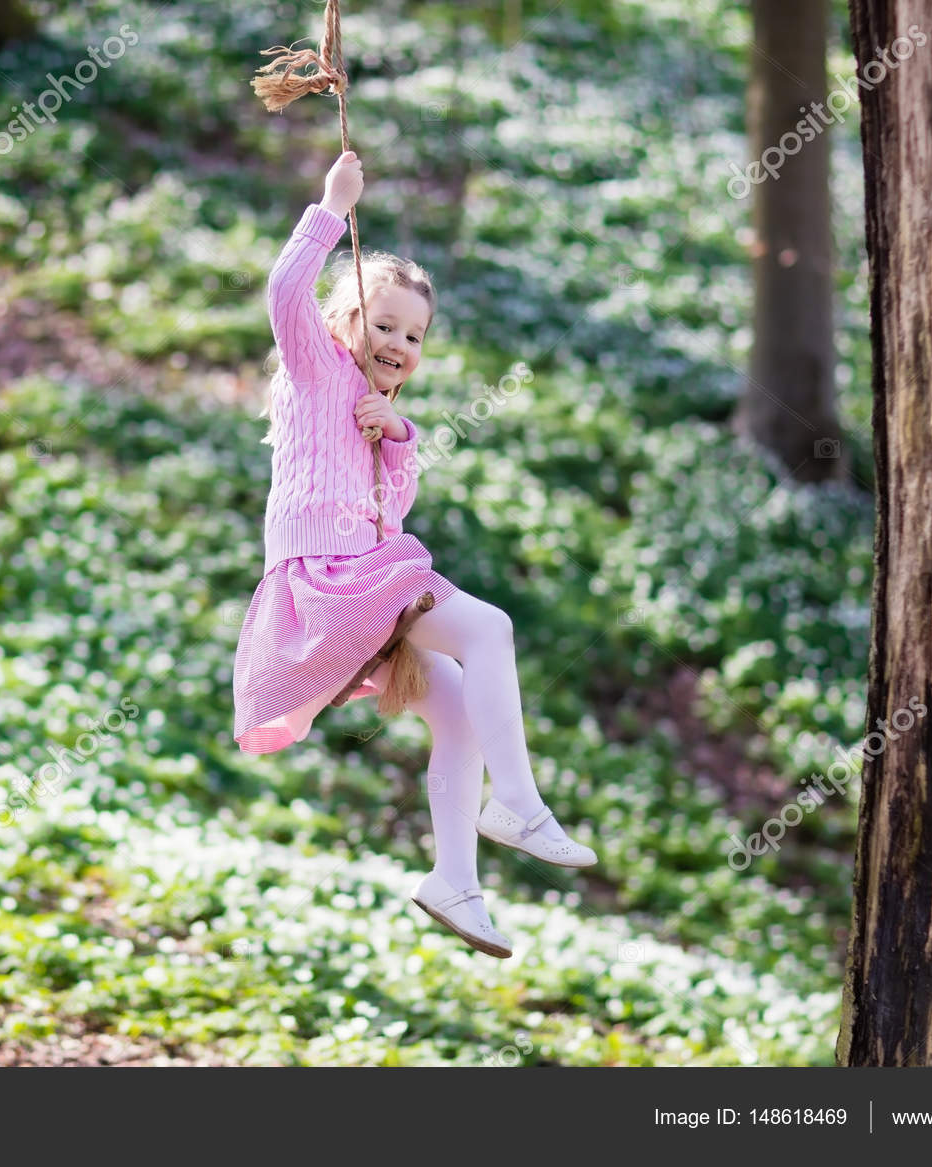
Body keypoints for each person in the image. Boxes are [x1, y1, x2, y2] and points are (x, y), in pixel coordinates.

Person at [231, 151, 595, 959]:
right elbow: (284, 292)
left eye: (413, 334)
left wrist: (392, 434)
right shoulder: (313, 367)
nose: (398, 342)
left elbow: (392, 513)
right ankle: (521, 804)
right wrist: (332, 205)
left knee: (460, 702)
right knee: (489, 626)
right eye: (383, 324)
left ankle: (454, 881)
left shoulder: (383, 419)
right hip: (324, 584)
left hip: (362, 581)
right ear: (345, 324)